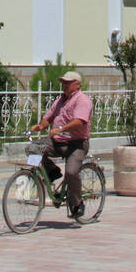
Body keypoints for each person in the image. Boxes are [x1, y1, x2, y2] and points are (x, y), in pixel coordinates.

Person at [31, 70, 93, 219]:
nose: (64, 86)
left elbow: (79, 121)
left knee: (71, 172)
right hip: (57, 141)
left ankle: (77, 203)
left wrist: (60, 129)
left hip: (76, 144)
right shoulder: (60, 100)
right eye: (63, 83)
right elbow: (49, 116)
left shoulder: (82, 100)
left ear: (77, 85)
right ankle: (52, 171)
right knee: (32, 149)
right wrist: (41, 126)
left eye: (67, 83)